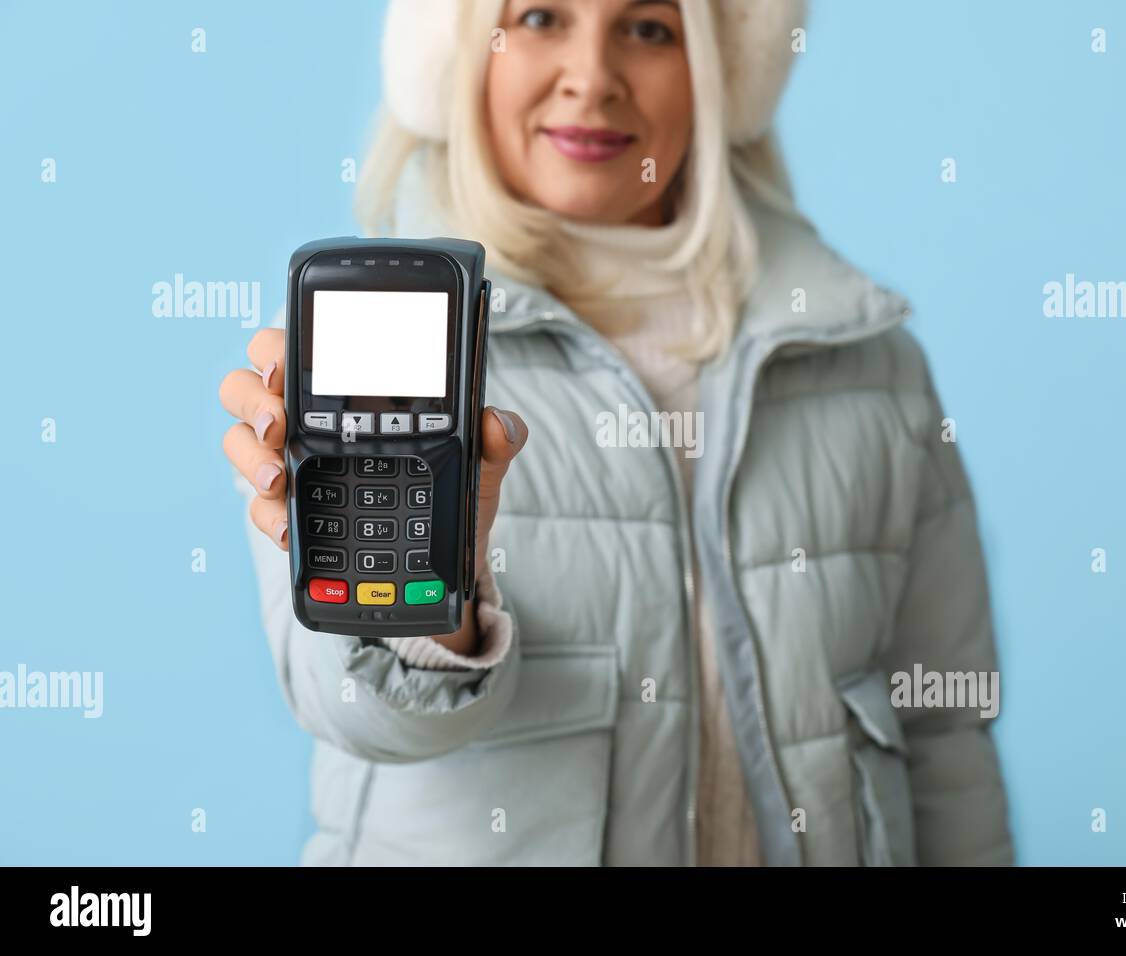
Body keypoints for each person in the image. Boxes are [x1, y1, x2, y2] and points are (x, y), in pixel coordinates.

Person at [218, 0, 1014, 866]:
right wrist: (436, 592)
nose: (592, 77)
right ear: (458, 54)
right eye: (539, 17)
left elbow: (944, 737)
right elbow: (358, 711)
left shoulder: (869, 363)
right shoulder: (355, 355)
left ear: (720, 72)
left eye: (647, 28)